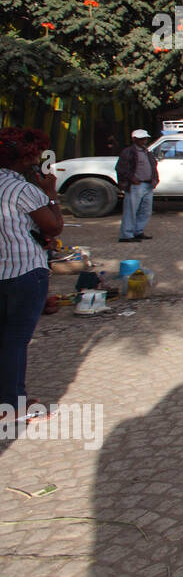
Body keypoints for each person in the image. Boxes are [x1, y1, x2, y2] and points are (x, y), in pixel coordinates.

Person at [0, 128, 62, 421]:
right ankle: (13, 406)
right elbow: (54, 226)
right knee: (15, 340)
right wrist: (51, 193)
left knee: (5, 338)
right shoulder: (22, 189)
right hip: (25, 271)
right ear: (25, 158)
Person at [115, 129, 158, 243]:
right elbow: (121, 168)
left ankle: (138, 231)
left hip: (148, 184)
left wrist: (155, 179)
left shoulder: (146, 152)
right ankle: (126, 235)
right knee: (131, 210)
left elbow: (153, 167)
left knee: (146, 210)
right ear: (134, 139)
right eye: (141, 139)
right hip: (136, 185)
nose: (144, 140)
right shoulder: (128, 152)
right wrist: (131, 179)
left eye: (145, 138)